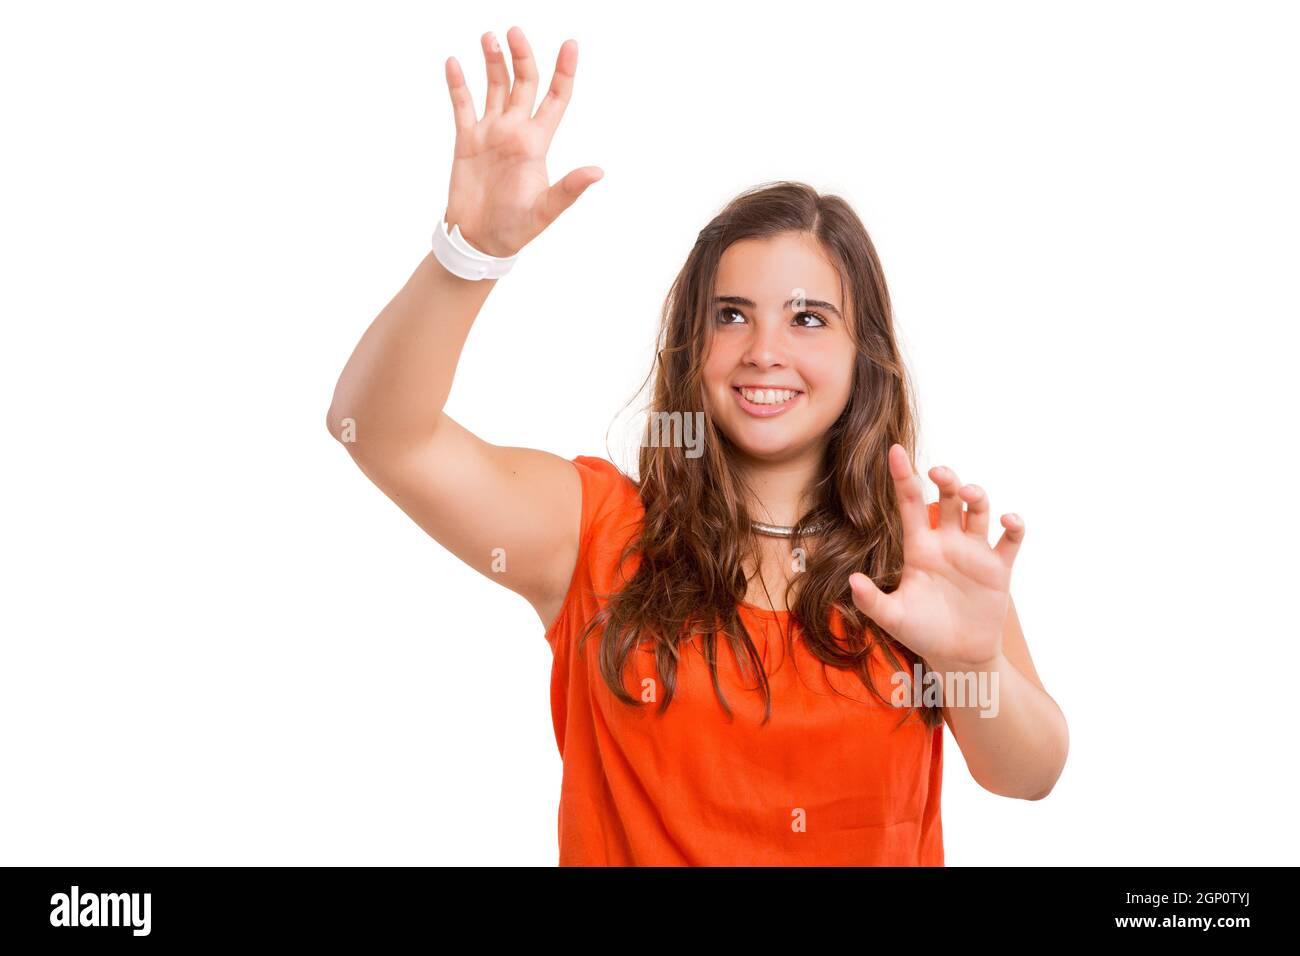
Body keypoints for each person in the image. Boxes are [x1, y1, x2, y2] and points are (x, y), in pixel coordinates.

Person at [325, 25, 1068, 866]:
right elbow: (379, 432)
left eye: (808, 319)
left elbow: (1029, 776)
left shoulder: (927, 559)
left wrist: (970, 661)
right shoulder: (594, 535)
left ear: (865, 358)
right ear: (693, 343)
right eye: (731, 314)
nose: (764, 351)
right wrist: (472, 254)